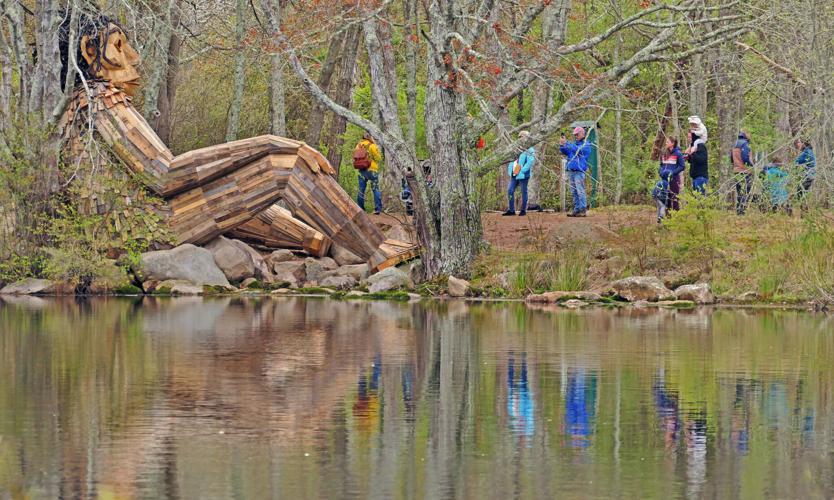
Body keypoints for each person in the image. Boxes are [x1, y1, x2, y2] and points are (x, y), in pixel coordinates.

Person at [560, 126, 592, 217]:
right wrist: (562, 145)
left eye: (577, 134)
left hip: (579, 171)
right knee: (574, 191)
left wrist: (567, 143)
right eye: (575, 134)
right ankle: (577, 209)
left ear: (582, 134)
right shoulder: (574, 144)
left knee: (580, 191)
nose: (576, 136)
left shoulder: (586, 144)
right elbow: (566, 151)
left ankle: (582, 209)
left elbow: (578, 150)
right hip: (571, 171)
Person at [503, 131, 536, 216]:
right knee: (510, 190)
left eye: (522, 136)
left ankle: (523, 210)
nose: (520, 138)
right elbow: (511, 159)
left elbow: (530, 162)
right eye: (519, 136)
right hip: (514, 174)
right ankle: (511, 210)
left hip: (523, 175)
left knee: (523, 191)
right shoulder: (516, 148)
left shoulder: (530, 149)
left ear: (527, 137)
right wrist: (511, 170)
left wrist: (522, 171)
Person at [654, 136, 685, 223]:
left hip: (674, 179)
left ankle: (677, 220)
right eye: (666, 141)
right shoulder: (664, 153)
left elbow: (682, 166)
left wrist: (673, 173)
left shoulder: (678, 154)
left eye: (668, 141)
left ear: (672, 143)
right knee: (664, 198)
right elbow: (661, 165)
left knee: (674, 199)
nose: (666, 143)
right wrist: (660, 172)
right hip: (664, 180)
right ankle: (666, 220)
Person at [354, 132, 383, 214]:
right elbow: (378, 158)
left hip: (361, 170)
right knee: (375, 189)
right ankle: (377, 209)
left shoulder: (358, 145)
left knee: (361, 190)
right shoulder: (372, 145)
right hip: (372, 170)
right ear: (371, 137)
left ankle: (360, 209)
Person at [730, 131, 754, 215]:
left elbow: (731, 159)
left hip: (736, 171)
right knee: (746, 191)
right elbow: (745, 158)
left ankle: (739, 211)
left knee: (739, 191)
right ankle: (742, 211)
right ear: (746, 136)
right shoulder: (745, 144)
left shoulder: (735, 144)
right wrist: (752, 165)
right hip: (745, 171)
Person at [794, 138, 816, 210]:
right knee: (801, 192)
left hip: (808, 175)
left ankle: (804, 210)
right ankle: (804, 210)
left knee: (800, 192)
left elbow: (799, 161)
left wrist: (796, 163)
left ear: (803, 143)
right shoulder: (806, 151)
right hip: (806, 175)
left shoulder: (807, 151)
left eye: (797, 145)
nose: (797, 148)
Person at [686, 128, 709, 195]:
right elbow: (692, 161)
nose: (689, 139)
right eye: (688, 137)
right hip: (695, 178)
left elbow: (701, 160)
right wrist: (688, 155)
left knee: (699, 200)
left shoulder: (701, 146)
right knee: (695, 200)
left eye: (690, 137)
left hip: (701, 177)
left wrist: (693, 153)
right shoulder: (693, 146)